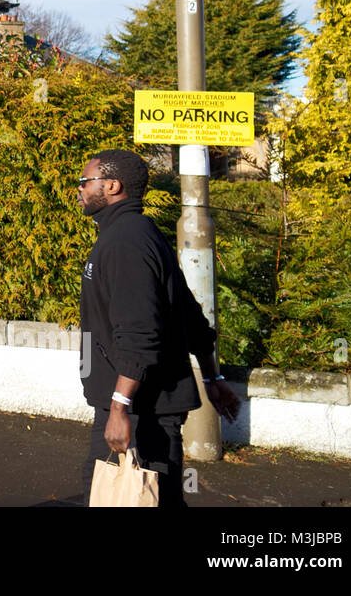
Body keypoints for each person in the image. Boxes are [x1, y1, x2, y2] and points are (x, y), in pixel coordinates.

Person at [76, 148, 241, 507]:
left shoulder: (126, 242)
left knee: (133, 496)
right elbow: (191, 316)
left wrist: (120, 407)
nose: (80, 189)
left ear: (112, 185)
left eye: (85, 181)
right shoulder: (138, 233)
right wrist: (213, 379)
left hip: (141, 410)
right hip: (136, 405)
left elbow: (139, 334)